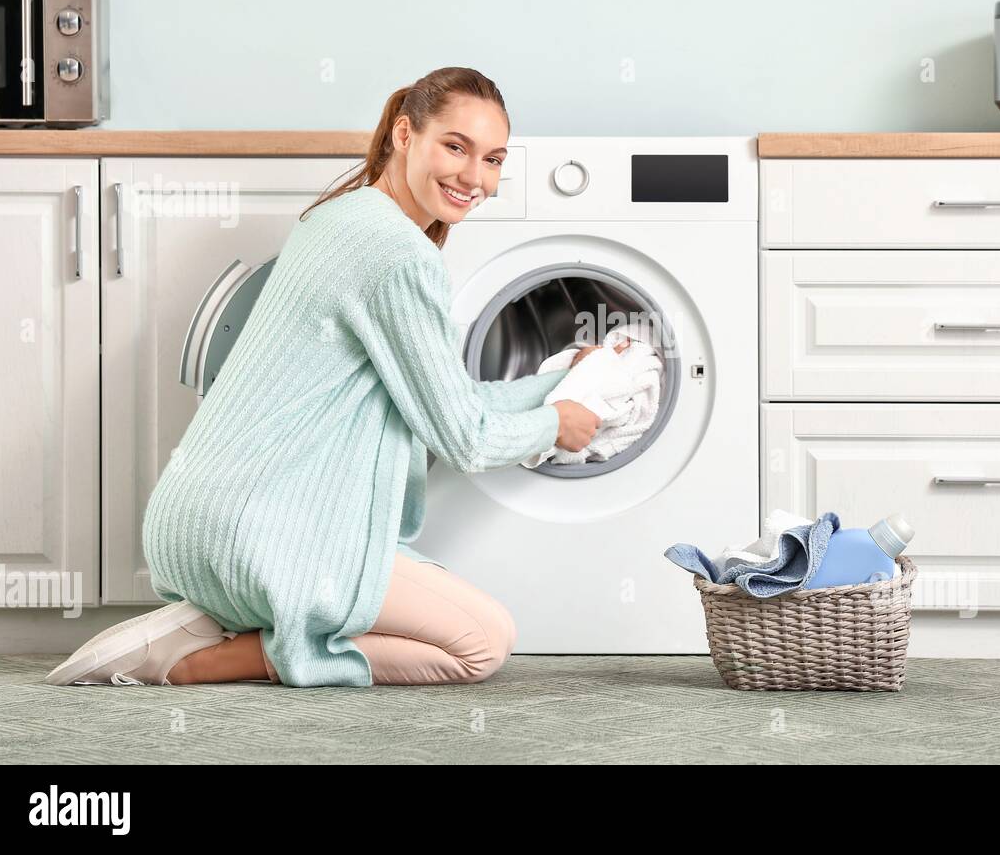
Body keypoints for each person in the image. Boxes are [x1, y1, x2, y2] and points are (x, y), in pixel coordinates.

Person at [45, 67, 613, 688]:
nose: (475, 178)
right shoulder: (401, 254)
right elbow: (465, 439)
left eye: (494, 159)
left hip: (192, 526)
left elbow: (445, 400)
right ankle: (204, 660)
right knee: (483, 642)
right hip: (262, 538)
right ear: (404, 134)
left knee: (430, 596)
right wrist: (553, 424)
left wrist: (552, 384)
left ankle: (220, 620)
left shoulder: (339, 219)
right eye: (456, 147)